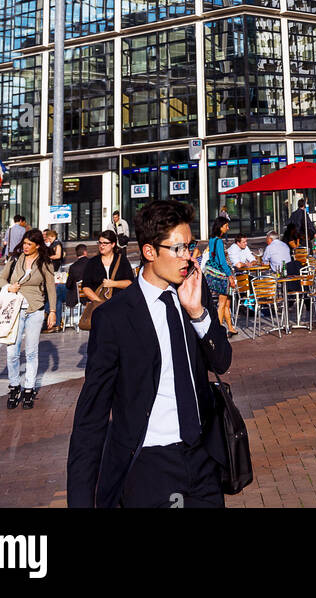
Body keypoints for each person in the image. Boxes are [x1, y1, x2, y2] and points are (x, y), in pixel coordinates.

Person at [66, 199, 232, 509]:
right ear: (150, 252)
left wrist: (197, 313)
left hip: (201, 461)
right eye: (178, 248)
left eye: (191, 246)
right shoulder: (115, 317)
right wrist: (80, 500)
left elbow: (221, 360)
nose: (188, 257)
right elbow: (92, 417)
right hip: (148, 465)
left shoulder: (194, 293)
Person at [0, 228, 57, 408]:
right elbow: (0, 279)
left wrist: (52, 311)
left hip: (35, 310)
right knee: (12, 352)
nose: (25, 246)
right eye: (24, 243)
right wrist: (9, 287)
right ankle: (15, 386)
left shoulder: (44, 262)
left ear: (37, 246)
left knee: (31, 352)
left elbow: (50, 286)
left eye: (29, 244)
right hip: (15, 310)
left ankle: (29, 388)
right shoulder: (15, 259)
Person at [81, 231, 135, 314]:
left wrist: (113, 283)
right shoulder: (92, 262)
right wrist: (100, 303)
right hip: (99, 309)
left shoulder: (122, 260)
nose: (102, 246)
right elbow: (85, 287)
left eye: (105, 243)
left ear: (113, 244)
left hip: (120, 306)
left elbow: (130, 283)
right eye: (100, 243)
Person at [204, 217, 237, 336]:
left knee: (226, 303)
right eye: (226, 226)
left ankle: (230, 327)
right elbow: (222, 261)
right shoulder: (219, 241)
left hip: (215, 273)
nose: (228, 228)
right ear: (221, 226)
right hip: (222, 274)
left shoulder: (212, 239)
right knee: (222, 303)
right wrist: (230, 276)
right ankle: (218, 330)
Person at [64, 244, 90, 325]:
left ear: (76, 254)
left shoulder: (73, 267)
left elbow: (68, 285)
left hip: (78, 297)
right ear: (85, 252)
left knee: (60, 290)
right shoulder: (92, 263)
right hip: (91, 295)